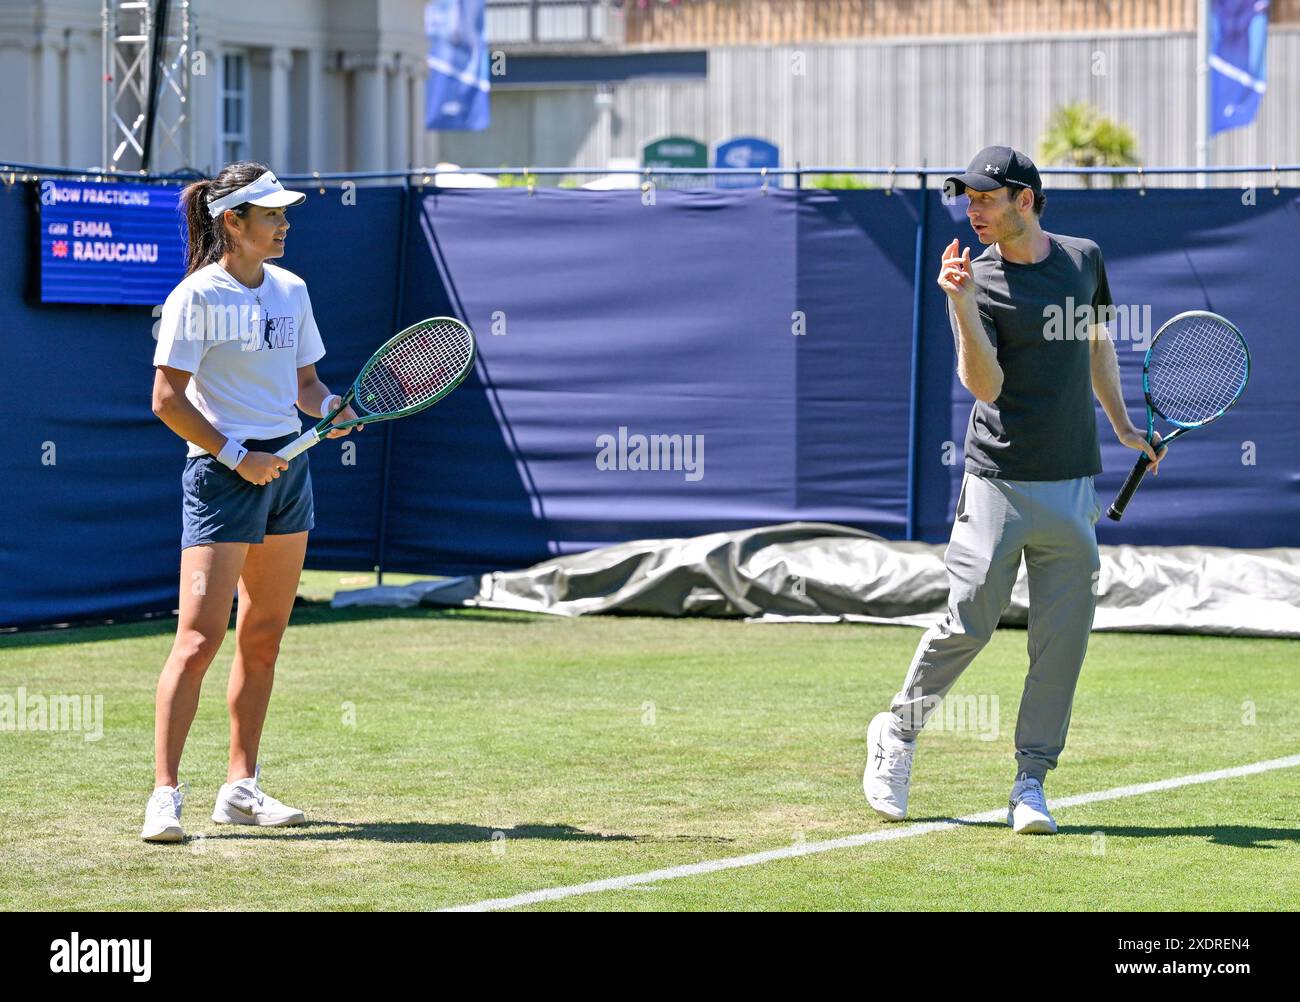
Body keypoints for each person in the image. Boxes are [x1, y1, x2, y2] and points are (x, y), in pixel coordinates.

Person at [863, 146, 1166, 834]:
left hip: (1070, 485)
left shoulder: (1084, 258)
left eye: (985, 198)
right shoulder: (977, 278)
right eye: (967, 200)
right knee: (968, 621)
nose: (972, 210)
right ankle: (897, 732)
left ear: (1024, 199)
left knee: (1063, 641)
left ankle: (1030, 783)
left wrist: (1122, 426)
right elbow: (987, 386)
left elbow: (1094, 343)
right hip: (996, 480)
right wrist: (962, 305)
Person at [141, 162, 360, 842]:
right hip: (220, 476)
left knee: (262, 638)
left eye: (284, 214)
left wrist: (332, 407)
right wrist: (238, 456)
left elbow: (305, 385)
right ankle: (165, 795)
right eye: (272, 215)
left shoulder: (292, 290)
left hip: (288, 473)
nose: (285, 224)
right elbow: (167, 399)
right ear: (233, 222)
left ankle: (240, 787)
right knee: (200, 639)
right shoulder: (196, 297)